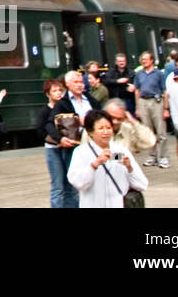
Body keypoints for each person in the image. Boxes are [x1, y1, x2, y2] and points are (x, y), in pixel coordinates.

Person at [67, 112, 150, 207]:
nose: (106, 132)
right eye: (101, 128)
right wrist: (94, 165)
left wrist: (129, 168)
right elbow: (78, 182)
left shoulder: (120, 151)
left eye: (108, 128)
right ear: (90, 132)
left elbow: (142, 184)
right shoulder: (81, 152)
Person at [49, 70, 99, 208]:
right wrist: (60, 139)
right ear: (68, 84)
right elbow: (49, 124)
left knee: (95, 178)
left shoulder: (91, 100)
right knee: (72, 183)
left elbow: (101, 116)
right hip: (73, 147)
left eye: (81, 82)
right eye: (76, 82)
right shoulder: (62, 103)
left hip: (93, 144)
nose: (79, 85)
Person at [130, 50, 168, 168]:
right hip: (143, 101)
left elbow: (165, 92)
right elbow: (137, 91)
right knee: (148, 131)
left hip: (156, 101)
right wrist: (137, 107)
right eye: (142, 59)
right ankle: (152, 156)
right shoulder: (139, 74)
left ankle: (163, 157)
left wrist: (166, 108)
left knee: (160, 130)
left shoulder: (159, 74)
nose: (144, 61)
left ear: (152, 60)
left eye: (146, 59)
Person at [39, 79, 74, 207]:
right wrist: (58, 140)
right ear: (48, 93)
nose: (58, 93)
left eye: (60, 90)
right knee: (57, 186)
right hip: (53, 149)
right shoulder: (45, 111)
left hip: (68, 148)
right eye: (55, 91)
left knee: (71, 184)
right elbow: (41, 131)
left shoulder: (66, 107)